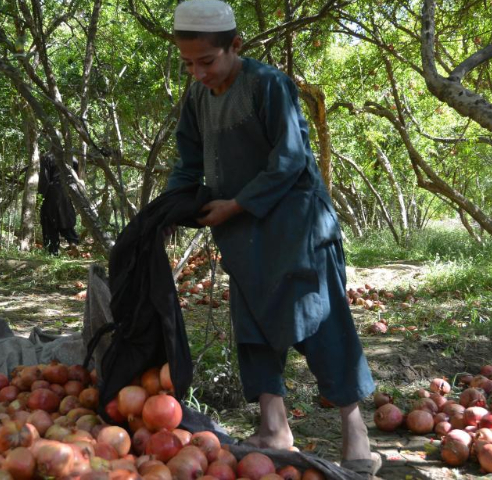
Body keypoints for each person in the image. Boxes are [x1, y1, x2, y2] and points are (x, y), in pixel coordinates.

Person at [165, 0, 381, 476]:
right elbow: (187, 163)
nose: (198, 73)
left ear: (235, 46)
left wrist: (237, 204)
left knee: (321, 321)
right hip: (240, 234)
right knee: (253, 324)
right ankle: (274, 427)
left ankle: (356, 436)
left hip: (295, 226)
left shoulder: (269, 85)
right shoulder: (197, 99)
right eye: (188, 64)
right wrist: (166, 210)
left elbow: (289, 159)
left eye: (207, 61)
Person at [38, 152, 79, 255]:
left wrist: (40, 197)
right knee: (65, 219)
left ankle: (52, 251)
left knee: (49, 221)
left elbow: (44, 179)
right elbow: (77, 176)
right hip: (66, 192)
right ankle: (72, 242)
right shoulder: (72, 157)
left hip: (51, 192)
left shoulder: (47, 157)